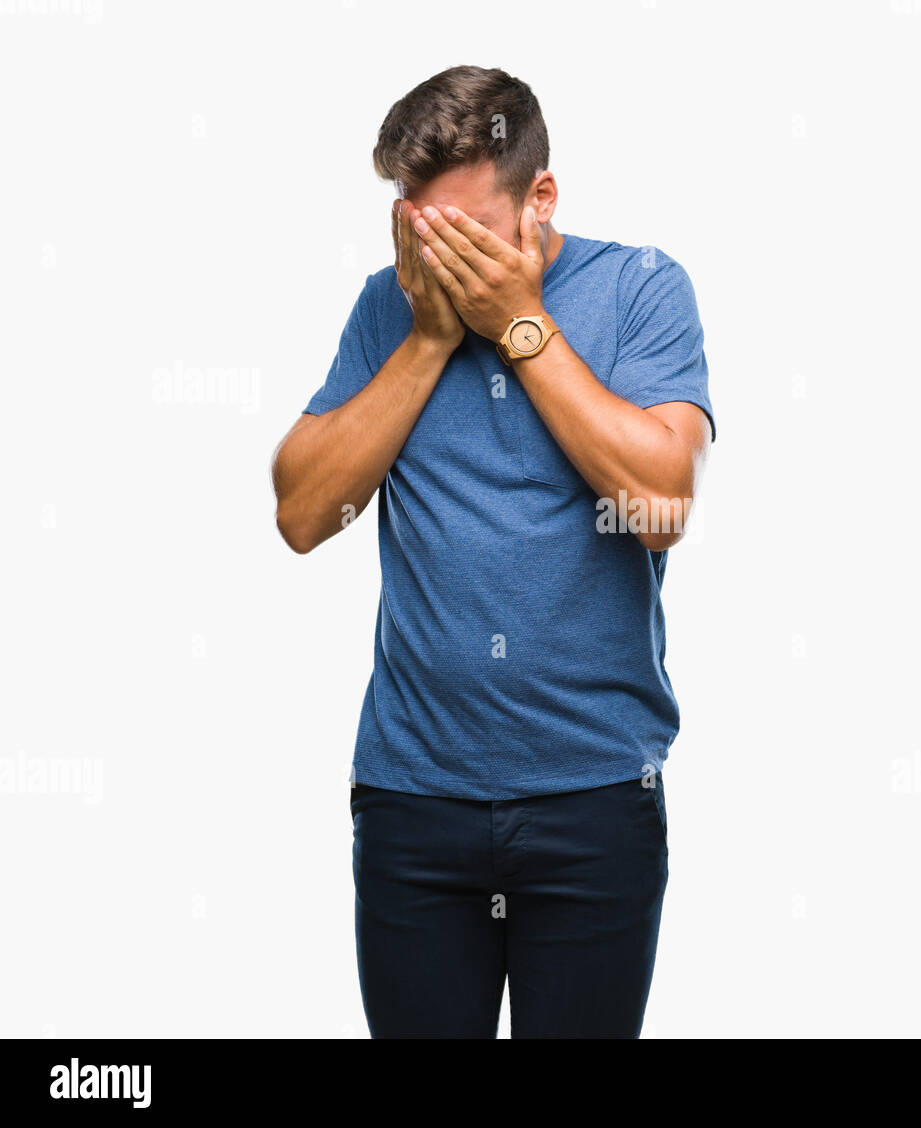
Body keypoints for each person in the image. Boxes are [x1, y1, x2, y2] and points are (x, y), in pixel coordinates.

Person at [271, 66, 714, 1037]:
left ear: (539, 198)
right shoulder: (389, 308)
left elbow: (660, 499)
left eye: (463, 234)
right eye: (417, 232)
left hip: (595, 797)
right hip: (412, 802)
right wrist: (429, 339)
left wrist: (518, 322)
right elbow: (302, 512)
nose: (437, 258)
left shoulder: (640, 289)